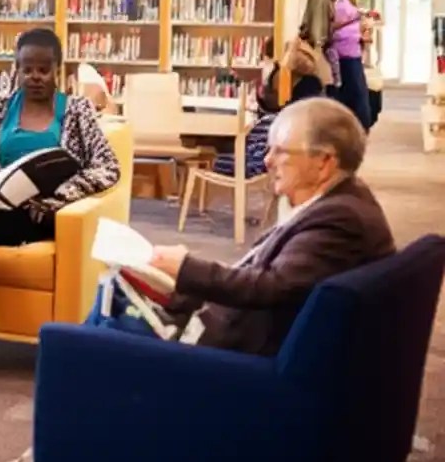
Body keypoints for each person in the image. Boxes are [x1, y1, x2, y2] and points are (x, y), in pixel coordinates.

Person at [119, 98, 395, 357]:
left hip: (233, 361)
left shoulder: (341, 220)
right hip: (227, 333)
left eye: (280, 151)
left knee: (97, 334)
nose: (267, 161)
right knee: (120, 289)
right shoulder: (339, 203)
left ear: (323, 162)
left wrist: (185, 269)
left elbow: (270, 287)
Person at [0, 28, 121, 389]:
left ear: (58, 70)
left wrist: (63, 192)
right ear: (15, 69)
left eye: (44, 70)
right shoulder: (0, 108)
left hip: (44, 214)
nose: (35, 77)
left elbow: (108, 167)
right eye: (27, 69)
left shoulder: (77, 111)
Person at [301, 0, 372, 130]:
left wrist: (361, 32)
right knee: (352, 102)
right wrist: (349, 22)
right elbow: (321, 28)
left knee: (357, 102)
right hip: (337, 56)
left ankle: (351, 137)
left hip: (353, 53)